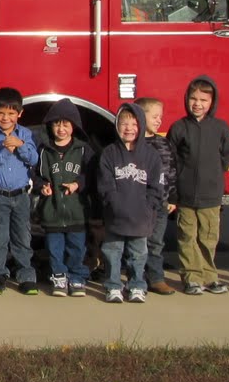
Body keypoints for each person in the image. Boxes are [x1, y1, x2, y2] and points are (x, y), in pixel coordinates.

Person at [166, 75, 229, 295]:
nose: (198, 104)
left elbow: (227, 155)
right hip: (185, 196)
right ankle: (192, 277)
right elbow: (170, 161)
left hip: (210, 196)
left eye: (203, 100)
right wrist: (174, 192)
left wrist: (214, 174)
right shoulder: (178, 128)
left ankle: (209, 277)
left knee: (208, 238)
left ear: (212, 102)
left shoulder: (220, 128)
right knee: (187, 237)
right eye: (193, 99)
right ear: (186, 99)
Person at [96, 102, 165, 303]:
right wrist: (114, 203)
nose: (129, 129)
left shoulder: (151, 155)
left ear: (141, 126)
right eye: (124, 124)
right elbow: (105, 184)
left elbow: (156, 185)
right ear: (117, 126)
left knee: (138, 254)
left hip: (141, 217)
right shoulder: (109, 153)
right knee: (112, 252)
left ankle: (136, 285)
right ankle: (113, 286)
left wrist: (148, 206)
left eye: (134, 124)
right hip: (116, 216)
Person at [0, 86, 40, 294]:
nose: (5, 118)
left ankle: (26, 277)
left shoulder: (26, 134)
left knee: (23, 238)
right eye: (1, 113)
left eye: (11, 113)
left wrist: (20, 145)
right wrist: (4, 150)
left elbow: (34, 159)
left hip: (21, 196)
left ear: (19, 114)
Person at [35, 97, 90, 297]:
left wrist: (78, 184)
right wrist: (41, 186)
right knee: (54, 248)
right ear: (50, 126)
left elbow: (93, 174)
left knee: (77, 248)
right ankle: (58, 276)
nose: (61, 129)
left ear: (74, 126)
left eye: (66, 124)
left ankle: (76, 278)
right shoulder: (44, 151)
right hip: (52, 210)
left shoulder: (83, 149)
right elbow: (34, 174)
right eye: (57, 124)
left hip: (77, 212)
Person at [137, 97, 178, 296]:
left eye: (160, 117)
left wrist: (172, 197)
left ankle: (156, 278)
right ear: (140, 116)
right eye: (154, 117)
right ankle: (136, 278)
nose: (159, 121)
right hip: (137, 203)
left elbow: (171, 171)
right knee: (137, 243)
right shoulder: (132, 144)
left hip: (160, 203)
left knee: (155, 243)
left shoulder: (163, 143)